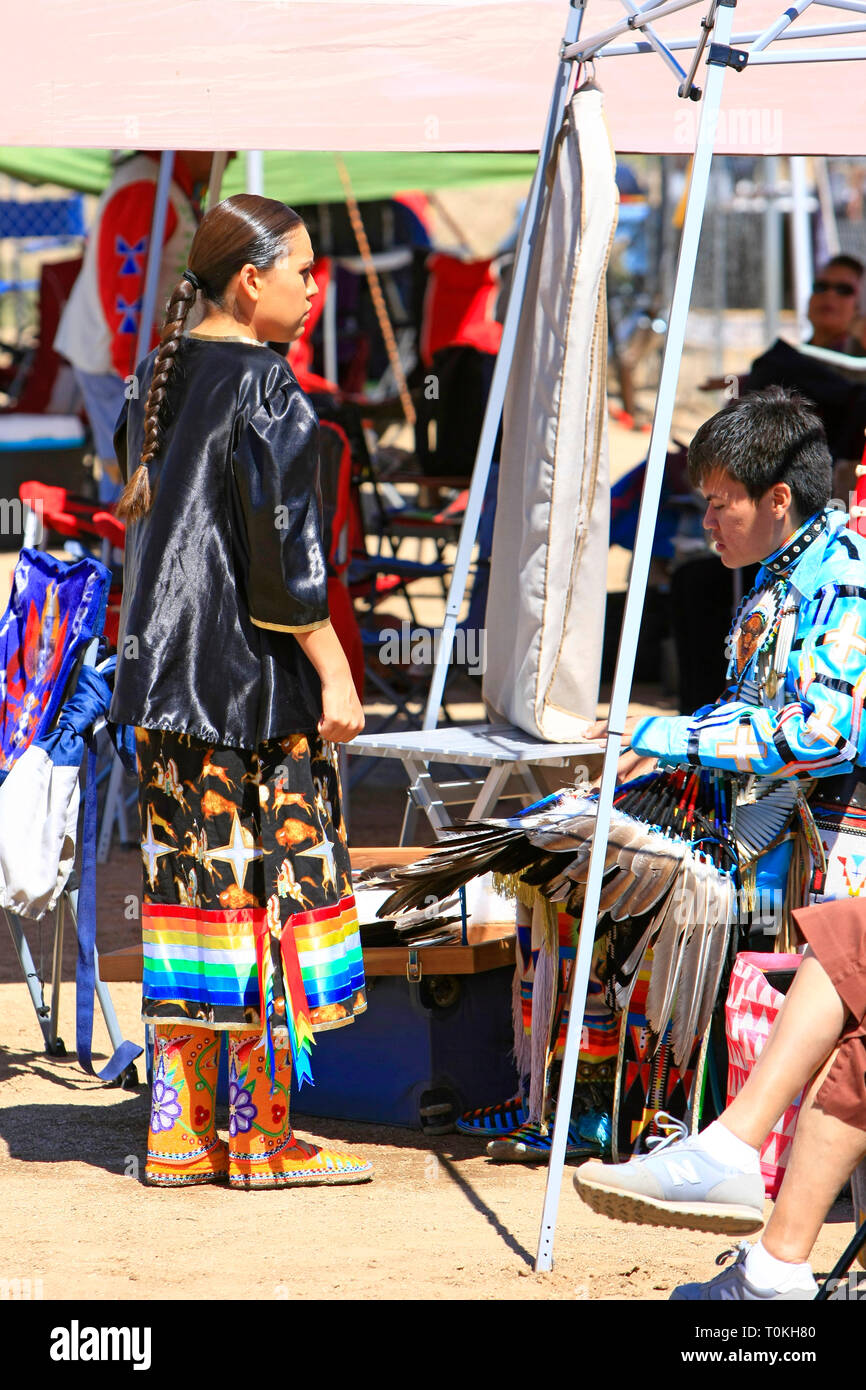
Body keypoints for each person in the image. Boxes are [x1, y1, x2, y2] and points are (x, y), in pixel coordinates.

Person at [575, 386, 866, 1297]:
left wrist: (663, 737)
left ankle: (742, 1182)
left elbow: (823, 732)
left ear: (778, 498)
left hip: (839, 851)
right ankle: (765, 1244)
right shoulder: (784, 578)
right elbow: (757, 711)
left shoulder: (844, 577)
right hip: (794, 847)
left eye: (719, 501)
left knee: (845, 1050)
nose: (705, 521)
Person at [110, 193, 372, 1190]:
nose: (315, 291)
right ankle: (259, 1139)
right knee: (264, 897)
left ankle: (179, 1135)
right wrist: (335, 665)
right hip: (249, 690)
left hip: (166, 685)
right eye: (303, 272)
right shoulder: (267, 383)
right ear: (250, 279)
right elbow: (281, 554)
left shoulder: (159, 379)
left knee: (187, 896)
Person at [54, 151, 224, 501]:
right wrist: (134, 369)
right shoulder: (144, 186)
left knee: (135, 468)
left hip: (134, 355)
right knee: (131, 469)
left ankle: (124, 549)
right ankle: (122, 553)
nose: (231, 155)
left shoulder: (162, 183)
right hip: (116, 358)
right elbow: (124, 286)